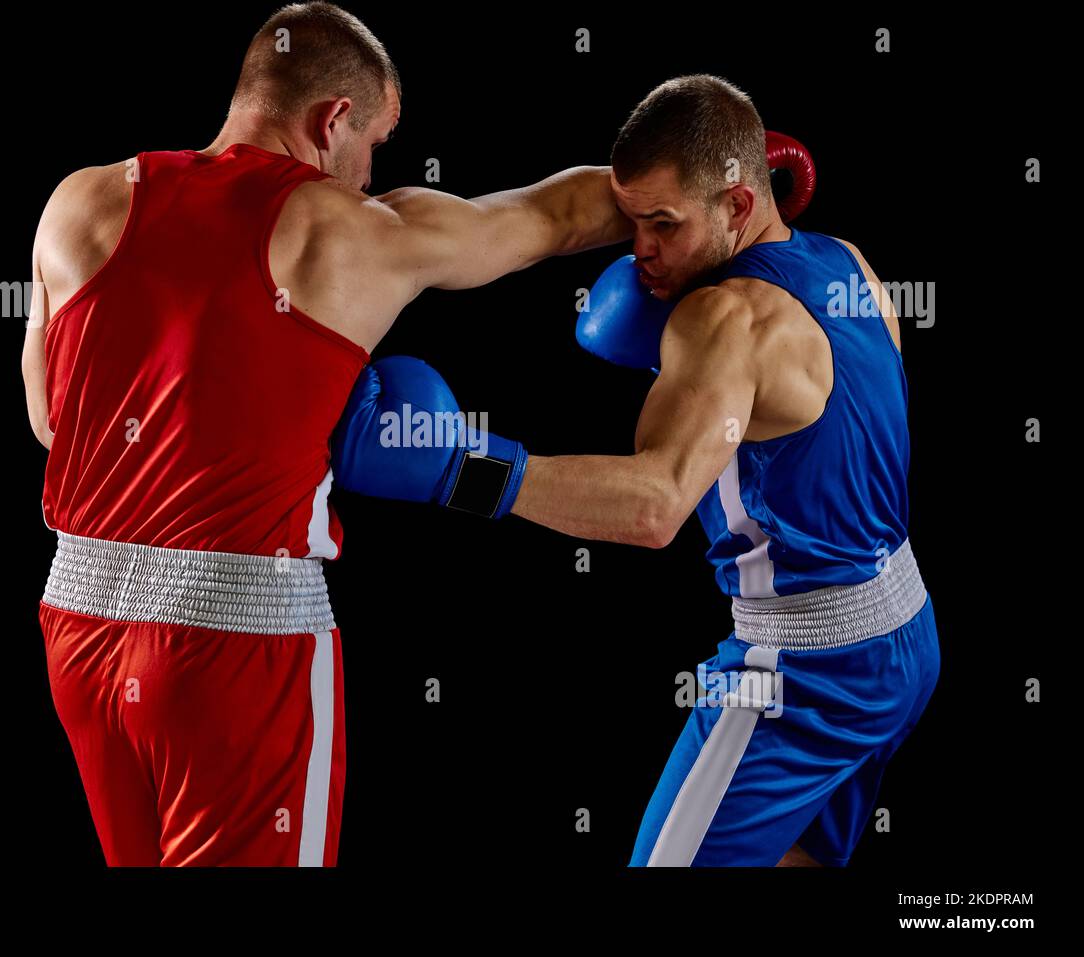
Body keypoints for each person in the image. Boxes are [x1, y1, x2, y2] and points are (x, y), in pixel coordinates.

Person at [20, 1, 629, 866]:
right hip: (238, 645)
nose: (372, 173)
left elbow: (53, 421)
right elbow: (549, 218)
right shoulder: (353, 233)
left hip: (78, 632)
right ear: (333, 118)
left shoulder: (79, 200)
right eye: (375, 143)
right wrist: (705, 176)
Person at [331, 74, 940, 867]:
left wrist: (460, 469)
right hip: (907, 641)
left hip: (802, 678)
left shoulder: (721, 321)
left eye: (664, 224)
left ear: (739, 205)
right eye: (631, 220)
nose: (640, 248)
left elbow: (655, 507)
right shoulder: (848, 262)